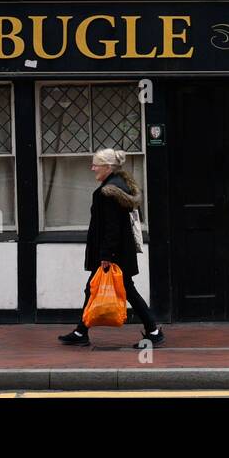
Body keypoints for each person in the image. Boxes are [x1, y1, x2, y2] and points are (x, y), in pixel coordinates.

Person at [58, 148, 165, 348]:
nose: (92, 168)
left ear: (107, 167)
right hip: (118, 252)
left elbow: (112, 227)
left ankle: (153, 330)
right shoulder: (118, 186)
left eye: (95, 165)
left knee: (125, 291)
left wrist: (106, 255)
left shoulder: (108, 192)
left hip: (113, 254)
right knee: (93, 289)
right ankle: (82, 331)